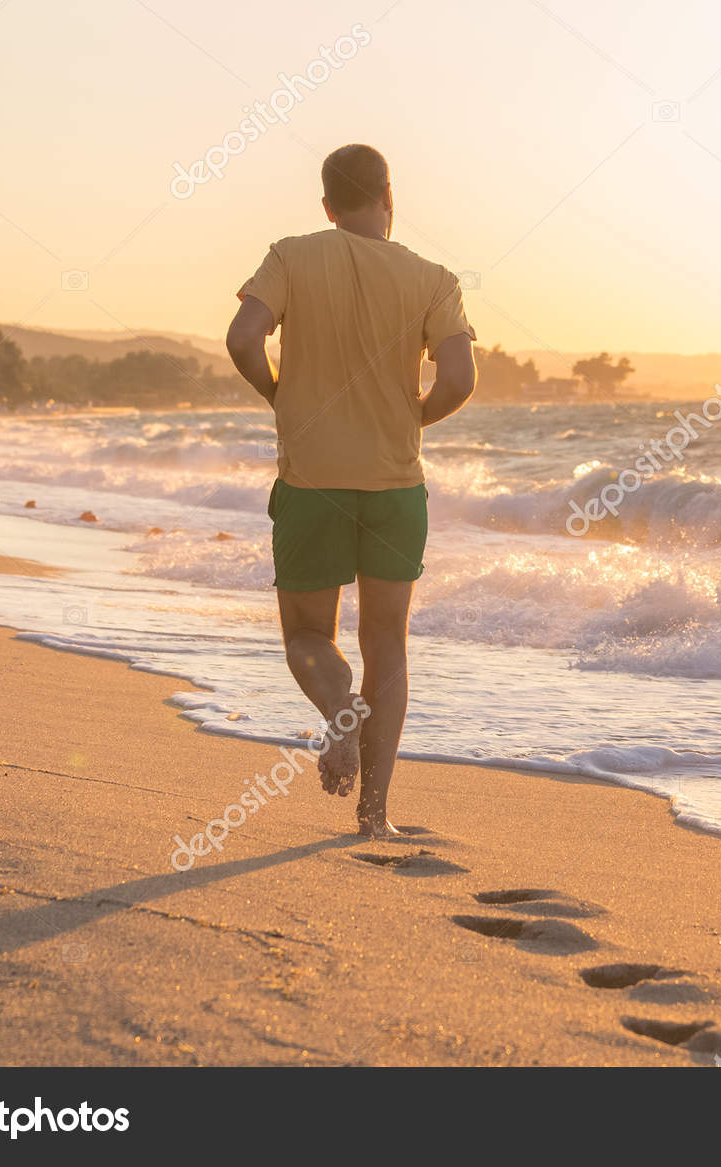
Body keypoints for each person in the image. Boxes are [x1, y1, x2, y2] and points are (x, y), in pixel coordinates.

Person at [226, 143, 477, 838]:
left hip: (311, 483)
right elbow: (459, 378)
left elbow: (243, 337)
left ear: (328, 206)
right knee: (387, 644)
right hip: (396, 485)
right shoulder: (432, 277)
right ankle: (375, 816)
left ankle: (339, 702)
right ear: (389, 198)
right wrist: (412, 417)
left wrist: (277, 394)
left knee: (309, 634)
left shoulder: (292, 256)